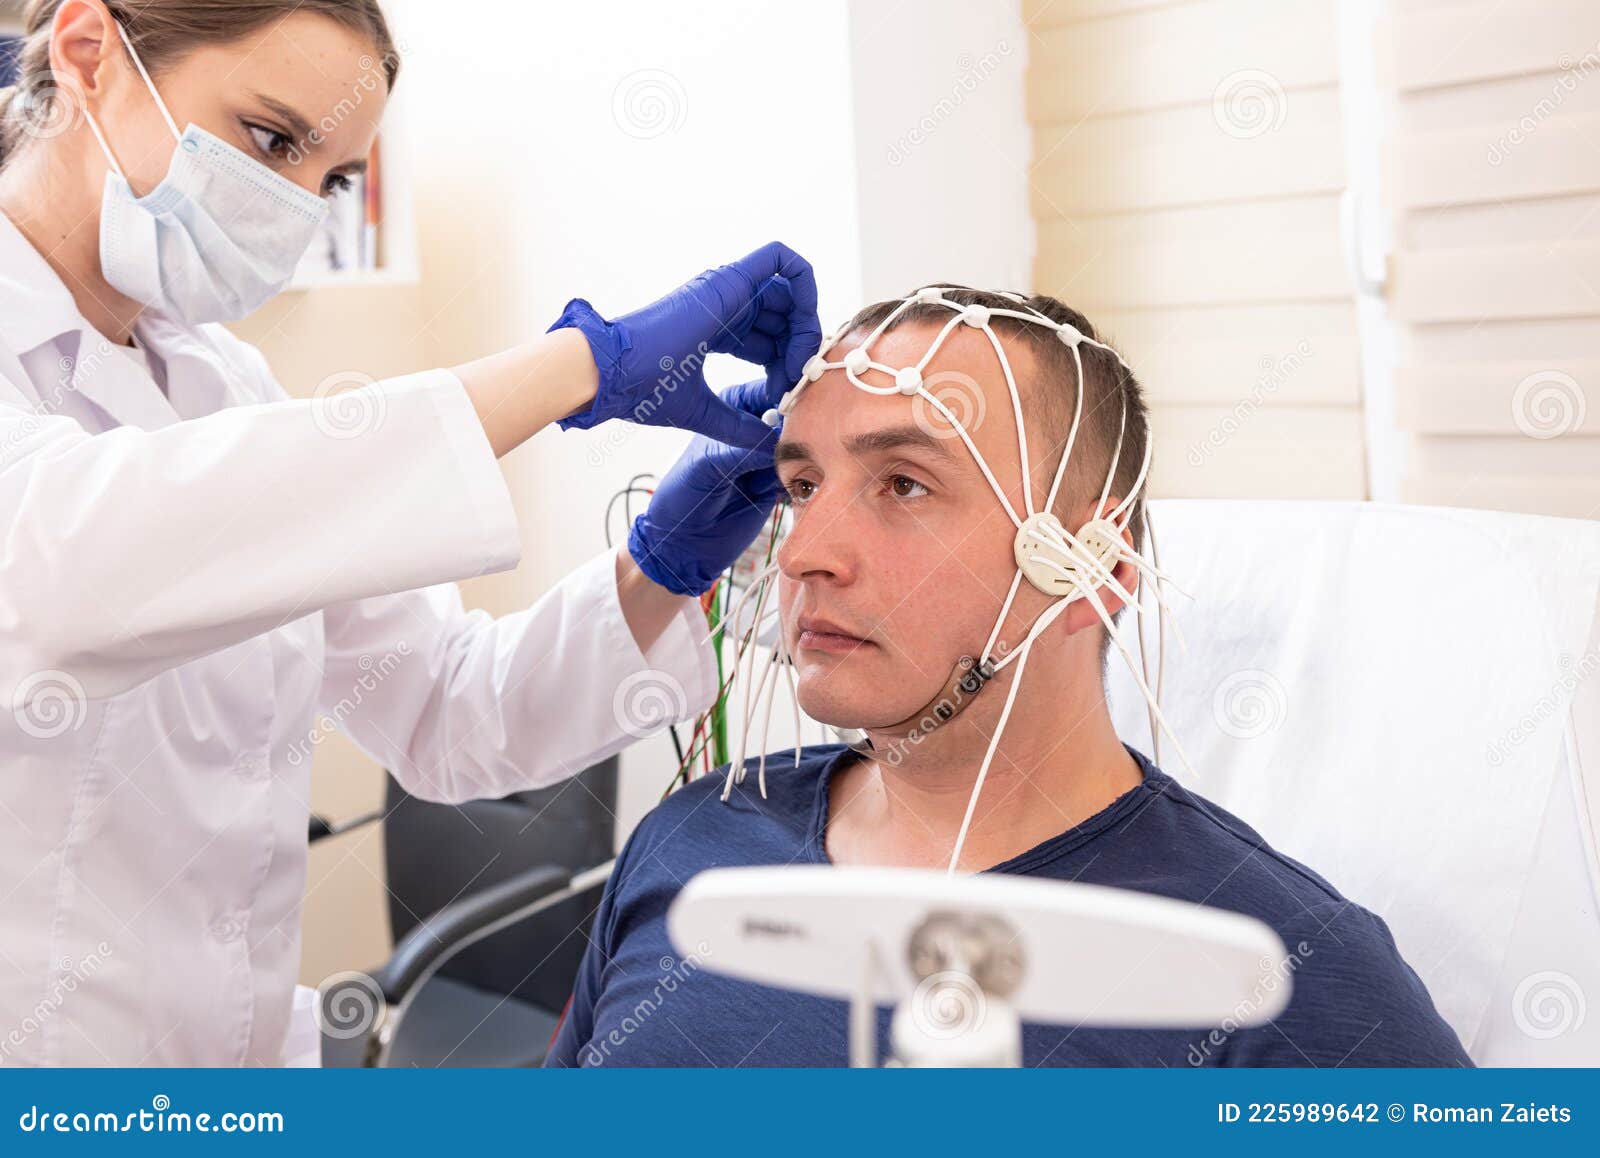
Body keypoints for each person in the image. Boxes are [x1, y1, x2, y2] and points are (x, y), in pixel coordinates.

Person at [0, 0, 813, 1065]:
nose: (294, 205)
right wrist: (583, 366)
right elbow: (63, 574)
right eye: (271, 139)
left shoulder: (221, 384)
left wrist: (658, 567)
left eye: (330, 177)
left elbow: (448, 708)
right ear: (88, 50)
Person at [545, 287, 1473, 1068]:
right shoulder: (693, 842)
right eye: (801, 489)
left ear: (1092, 571)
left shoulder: (1282, 977)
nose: (804, 555)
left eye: (903, 484)